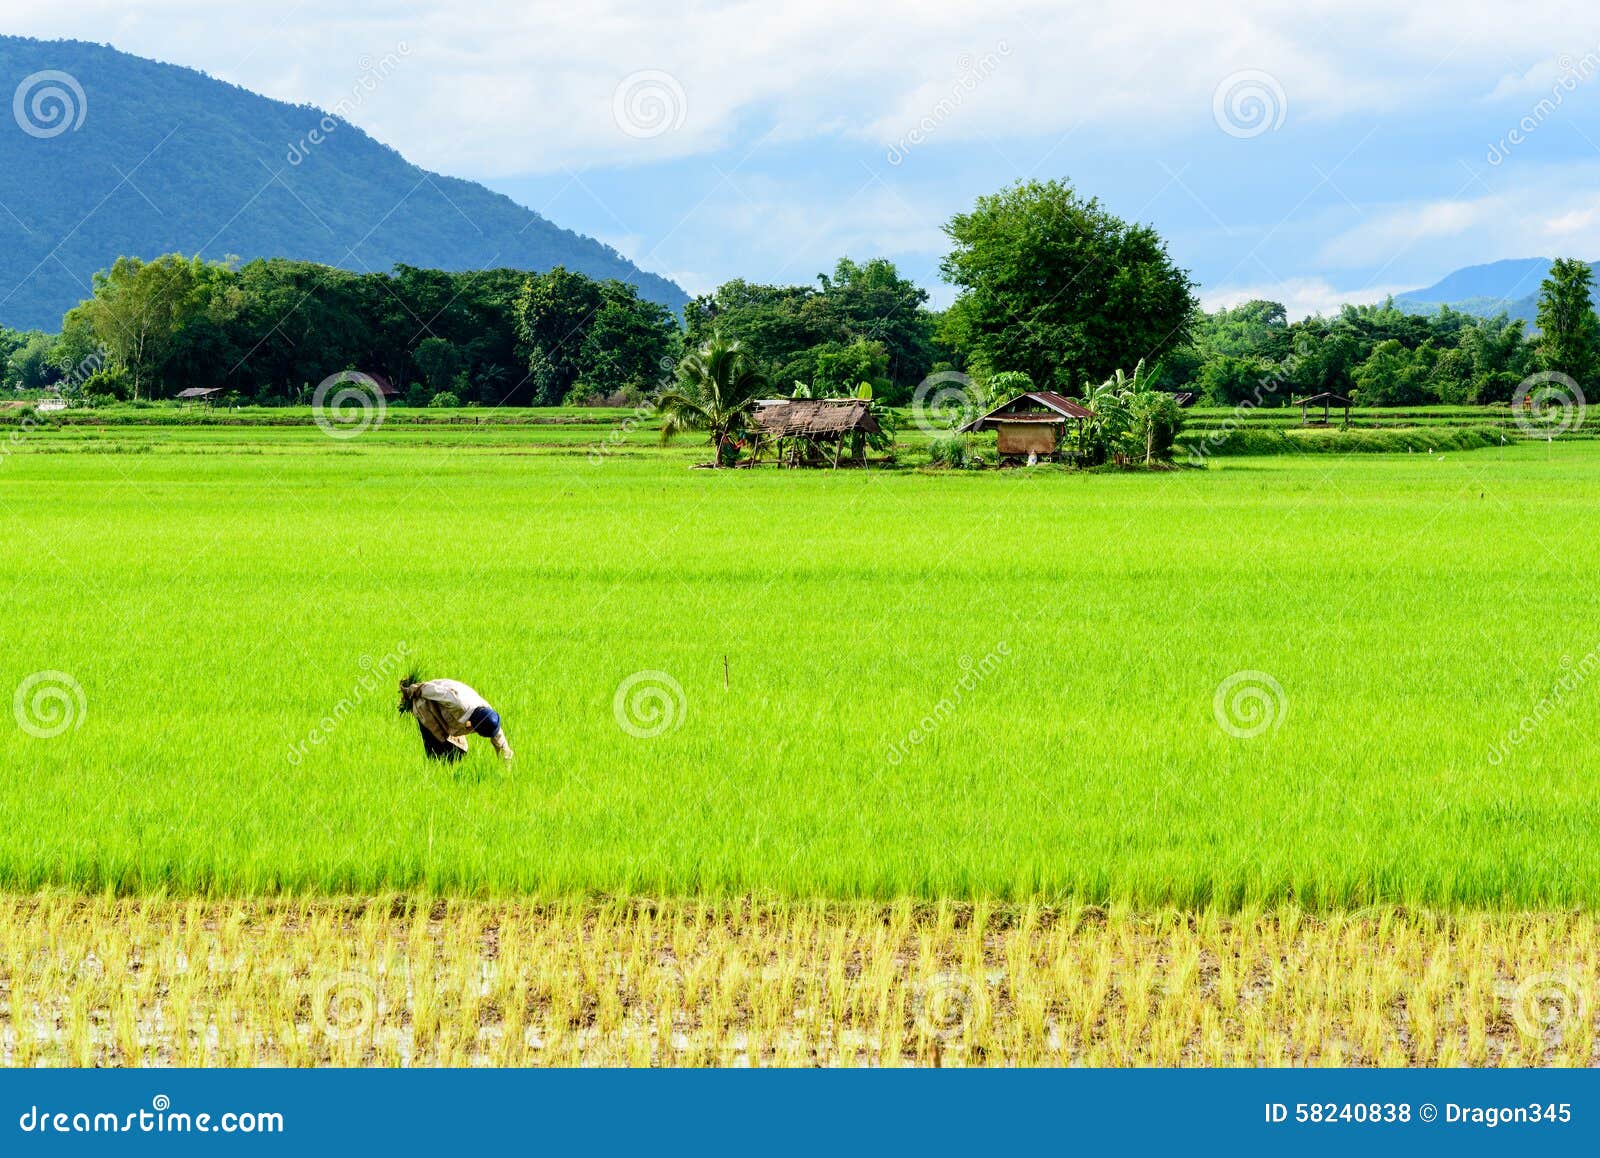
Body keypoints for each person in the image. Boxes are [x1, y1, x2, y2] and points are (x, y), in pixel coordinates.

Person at [398, 675, 514, 762]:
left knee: (459, 752)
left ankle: (447, 778)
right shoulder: (458, 702)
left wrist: (506, 767)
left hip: (447, 716)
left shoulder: (490, 719)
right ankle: (435, 776)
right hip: (427, 706)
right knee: (437, 752)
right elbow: (432, 690)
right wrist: (409, 691)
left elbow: (501, 743)